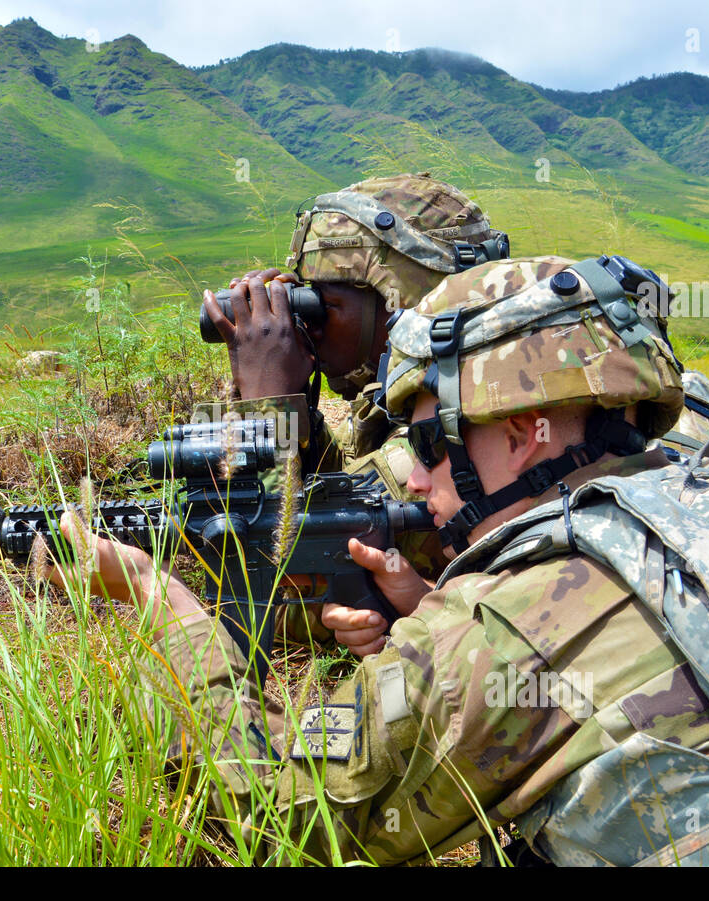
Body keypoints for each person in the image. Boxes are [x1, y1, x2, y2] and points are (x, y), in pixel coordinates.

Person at [55, 254, 709, 865]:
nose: (414, 475)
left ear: (529, 432)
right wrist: (434, 623)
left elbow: (274, 814)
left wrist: (163, 603)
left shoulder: (506, 626)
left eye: (427, 440)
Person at [198, 173, 508, 650]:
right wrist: (293, 397)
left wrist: (266, 397)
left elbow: (272, 572)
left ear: (402, 303)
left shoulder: (443, 441)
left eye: (326, 306)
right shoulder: (417, 398)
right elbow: (333, 486)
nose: (308, 326)